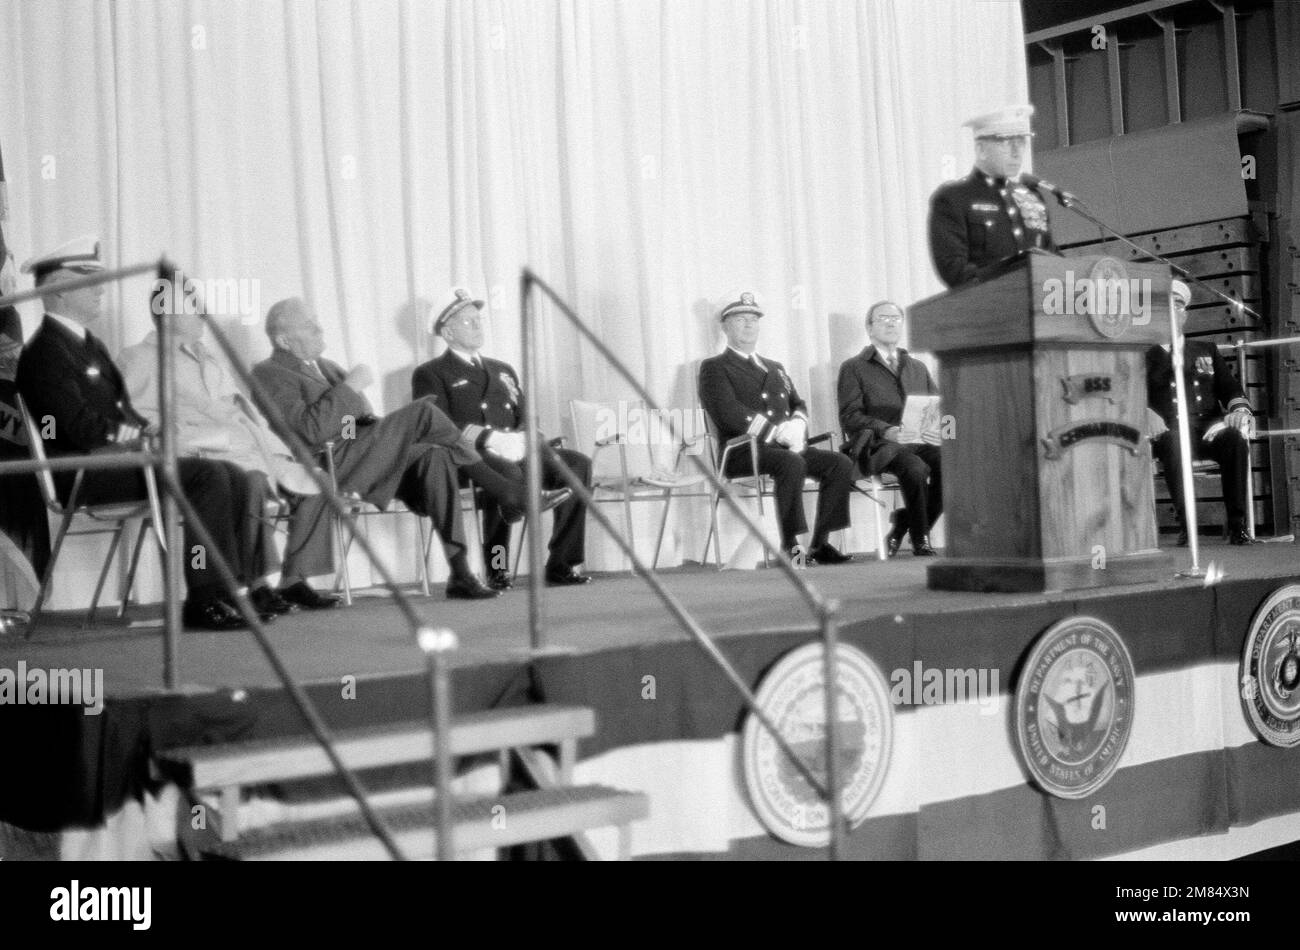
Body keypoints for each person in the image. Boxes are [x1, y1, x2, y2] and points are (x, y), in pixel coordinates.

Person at [15, 237, 274, 630]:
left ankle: (229, 591)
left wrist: (148, 427)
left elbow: (121, 408)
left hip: (114, 464)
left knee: (232, 474)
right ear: (60, 290)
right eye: (89, 283)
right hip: (83, 473)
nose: (101, 290)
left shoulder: (87, 345)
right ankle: (203, 600)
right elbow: (78, 427)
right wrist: (140, 437)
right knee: (208, 476)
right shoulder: (45, 353)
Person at [251, 297, 568, 600]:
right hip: (326, 462)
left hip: (357, 452)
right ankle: (508, 492)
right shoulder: (269, 373)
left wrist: (368, 424)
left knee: (436, 453)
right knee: (424, 412)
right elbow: (311, 429)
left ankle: (460, 573)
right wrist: (351, 388)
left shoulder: (327, 367)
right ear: (283, 341)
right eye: (309, 326)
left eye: (317, 322)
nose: (320, 329)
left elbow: (350, 420)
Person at [118, 301, 324, 613]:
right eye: (193, 310)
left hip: (244, 444)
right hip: (200, 451)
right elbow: (136, 419)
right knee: (249, 480)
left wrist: (257, 434)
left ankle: (289, 580)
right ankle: (253, 585)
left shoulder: (208, 356)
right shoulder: (137, 357)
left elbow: (238, 406)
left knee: (312, 480)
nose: (203, 315)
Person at [412, 288, 592, 589]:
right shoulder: (431, 373)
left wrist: (522, 437)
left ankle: (562, 563)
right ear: (447, 332)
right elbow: (436, 424)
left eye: (478, 319)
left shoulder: (502, 370)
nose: (478, 326)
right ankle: (497, 567)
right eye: (468, 322)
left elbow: (524, 413)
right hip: (469, 458)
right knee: (503, 472)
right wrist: (490, 438)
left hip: (518, 450)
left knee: (576, 465)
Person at [698, 292, 853, 565]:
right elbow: (728, 413)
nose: (748, 325)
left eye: (753, 320)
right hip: (742, 451)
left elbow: (798, 404)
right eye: (740, 319)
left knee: (839, 463)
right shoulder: (715, 367)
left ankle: (820, 543)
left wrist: (797, 424)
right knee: (790, 462)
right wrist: (775, 431)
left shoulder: (775, 367)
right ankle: (790, 546)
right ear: (725, 327)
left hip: (783, 449)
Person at [1147, 279, 1254, 546]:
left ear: (1185, 314)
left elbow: (1229, 389)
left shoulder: (1205, 350)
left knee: (1235, 440)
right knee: (1173, 443)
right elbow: (1131, 394)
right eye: (1167, 305)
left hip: (1208, 428)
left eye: (1179, 305)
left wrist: (1238, 410)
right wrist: (1145, 412)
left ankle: (1238, 525)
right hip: (1169, 430)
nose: (1174, 310)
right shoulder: (1143, 354)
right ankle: (1188, 525)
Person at [838, 302, 941, 557]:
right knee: (915, 467)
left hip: (920, 441)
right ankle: (921, 538)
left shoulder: (917, 367)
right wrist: (886, 430)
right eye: (883, 318)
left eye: (896, 318)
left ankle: (903, 525)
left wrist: (939, 430)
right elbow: (850, 417)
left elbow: (939, 408)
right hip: (881, 446)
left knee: (953, 465)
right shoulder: (854, 367)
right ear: (869, 328)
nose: (891, 323)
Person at [928, 104, 1059, 289]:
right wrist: (1008, 284)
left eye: (1021, 141)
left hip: (1041, 305)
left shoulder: (1032, 197)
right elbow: (954, 269)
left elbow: (1050, 253)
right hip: (988, 307)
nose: (1016, 151)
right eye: (1006, 142)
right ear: (981, 149)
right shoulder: (954, 198)